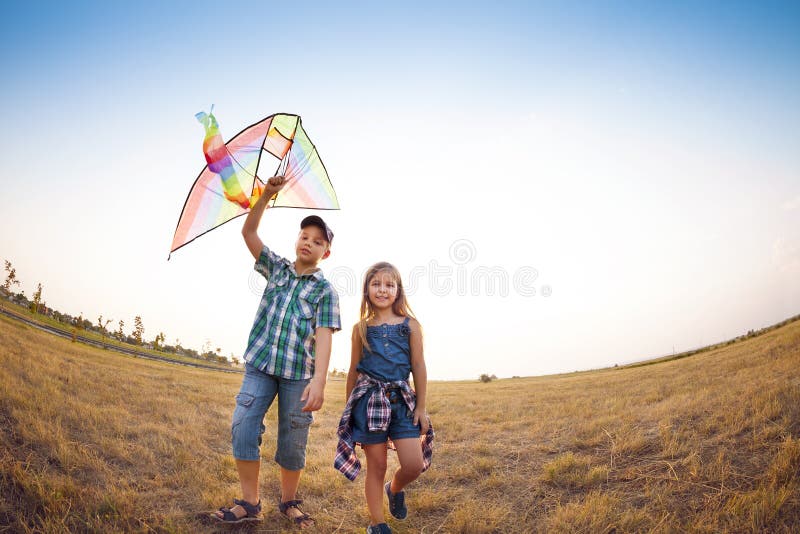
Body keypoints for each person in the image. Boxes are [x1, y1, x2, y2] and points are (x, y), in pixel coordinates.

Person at [213, 175, 341, 527]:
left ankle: (289, 502)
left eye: (317, 241)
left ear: (325, 252)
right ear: (297, 239)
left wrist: (320, 381)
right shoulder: (277, 268)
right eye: (304, 236)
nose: (308, 243)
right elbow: (249, 234)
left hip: (298, 375)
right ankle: (250, 503)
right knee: (243, 427)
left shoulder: (325, 291)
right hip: (260, 366)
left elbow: (325, 336)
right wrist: (266, 196)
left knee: (293, 440)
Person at [334, 262, 434, 534]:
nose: (382, 289)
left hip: (402, 403)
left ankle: (395, 487)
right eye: (376, 284)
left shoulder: (410, 325)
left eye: (389, 285)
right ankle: (377, 524)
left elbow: (419, 365)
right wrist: (349, 411)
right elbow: (353, 372)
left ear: (398, 290)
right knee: (376, 466)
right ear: (367, 290)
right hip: (369, 405)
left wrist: (421, 407)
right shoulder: (361, 329)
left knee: (413, 465)